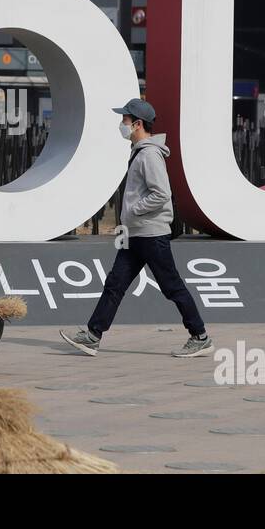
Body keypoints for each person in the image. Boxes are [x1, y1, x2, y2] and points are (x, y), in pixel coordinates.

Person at [60, 98, 212, 358]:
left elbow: (161, 193)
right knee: (115, 284)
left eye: (125, 120)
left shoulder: (150, 155)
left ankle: (200, 336)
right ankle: (93, 336)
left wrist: (133, 210)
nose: (122, 124)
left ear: (138, 124)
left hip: (151, 234)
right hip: (136, 234)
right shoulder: (140, 152)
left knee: (171, 286)